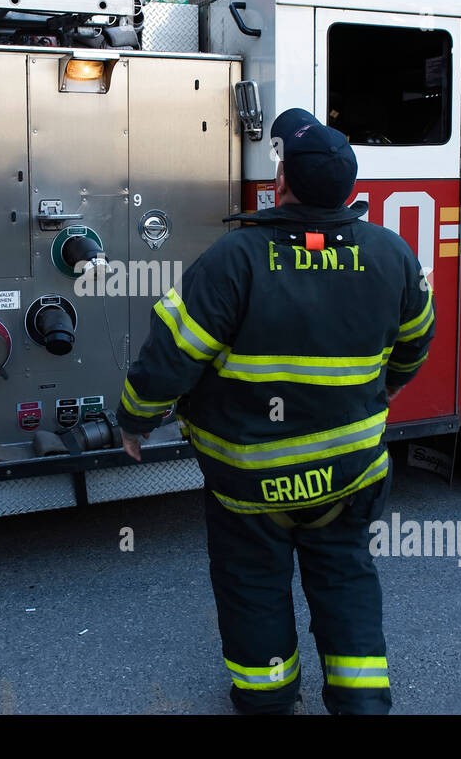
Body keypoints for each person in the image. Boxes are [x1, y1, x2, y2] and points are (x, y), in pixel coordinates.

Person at [116, 108, 434, 715]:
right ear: (351, 191)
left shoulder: (234, 259)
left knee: (254, 587)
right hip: (350, 472)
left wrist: (136, 418)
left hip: (250, 485)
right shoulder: (392, 254)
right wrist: (388, 387)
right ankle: (362, 702)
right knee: (345, 577)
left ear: (280, 185)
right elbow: (417, 338)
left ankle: (267, 700)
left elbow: (171, 356)